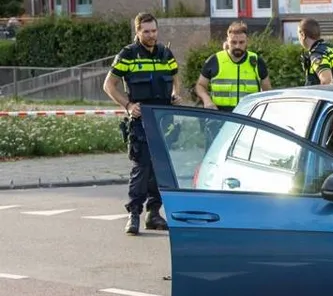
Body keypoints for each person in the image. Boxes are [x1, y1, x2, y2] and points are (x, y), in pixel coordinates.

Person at [103, 12, 182, 236]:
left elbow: (176, 76)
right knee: (142, 167)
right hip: (141, 119)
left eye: (154, 30)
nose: (151, 35)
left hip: (164, 118)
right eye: (146, 31)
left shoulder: (166, 53)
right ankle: (134, 214)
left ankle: (154, 213)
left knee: (162, 168)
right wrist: (127, 105)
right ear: (138, 32)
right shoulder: (128, 54)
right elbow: (109, 85)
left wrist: (176, 93)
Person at [194, 21, 272, 112]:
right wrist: (207, 100)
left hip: (249, 117)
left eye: (241, 42)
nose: (237, 46)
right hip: (220, 117)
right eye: (233, 42)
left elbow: (267, 92)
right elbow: (200, 85)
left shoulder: (256, 61)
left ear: (247, 41)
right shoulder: (215, 60)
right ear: (227, 41)